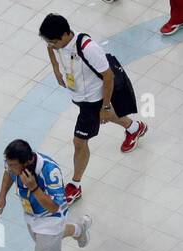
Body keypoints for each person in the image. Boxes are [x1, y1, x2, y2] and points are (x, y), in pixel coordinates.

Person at [39, 14, 147, 203]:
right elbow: (49, 47)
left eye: (55, 42)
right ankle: (135, 128)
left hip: (93, 98)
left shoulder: (88, 48)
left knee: (79, 142)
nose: (52, 45)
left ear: (66, 34)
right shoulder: (57, 42)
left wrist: (105, 106)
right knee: (99, 117)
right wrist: (56, 68)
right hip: (78, 94)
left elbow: (108, 76)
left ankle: (75, 186)